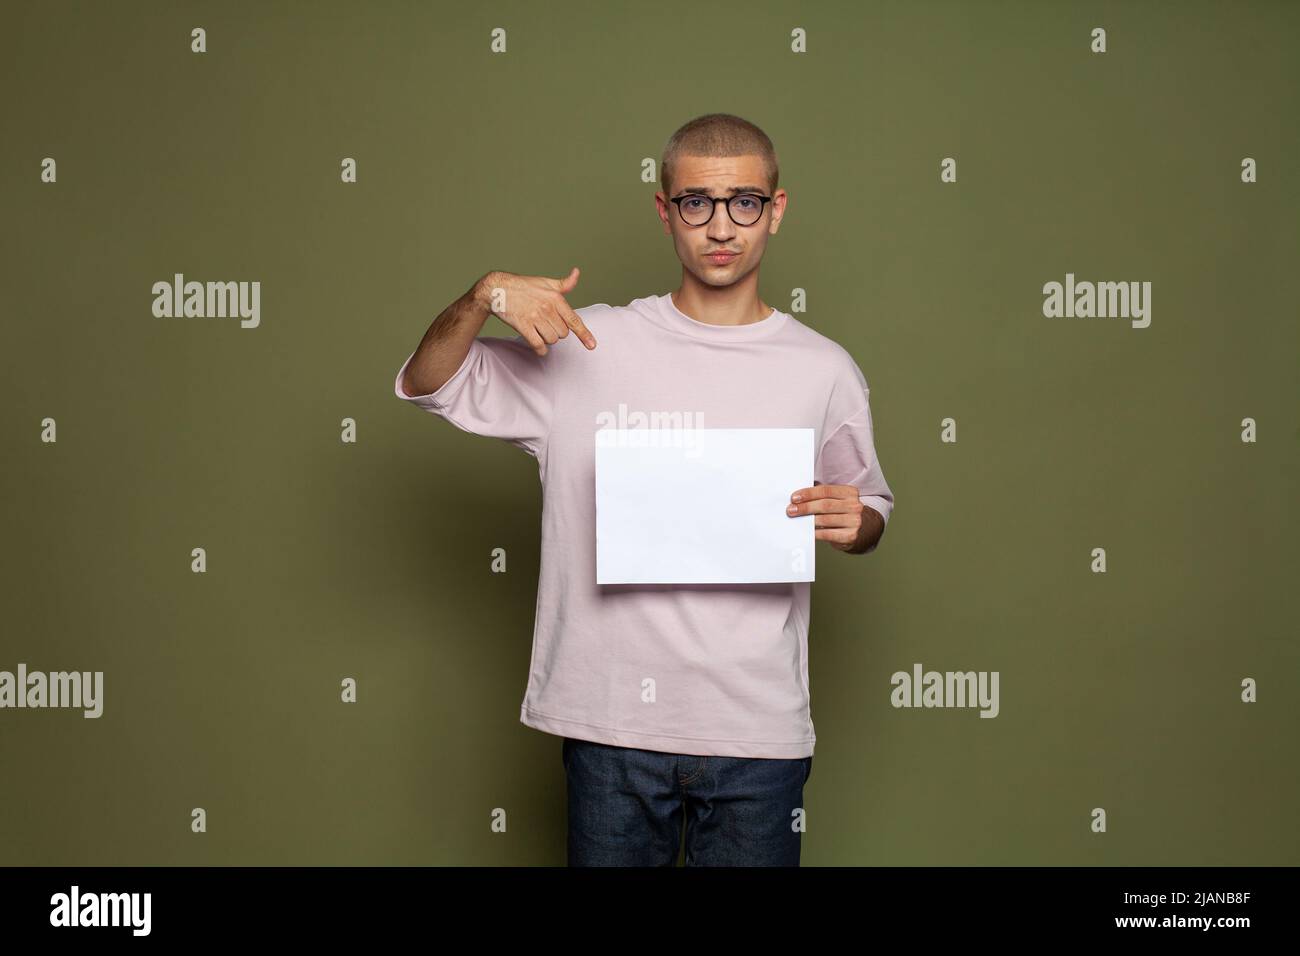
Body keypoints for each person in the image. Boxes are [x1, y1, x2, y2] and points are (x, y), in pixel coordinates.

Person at [394, 113, 894, 866]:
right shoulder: (585, 345)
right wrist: (484, 294)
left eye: (744, 202)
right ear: (666, 211)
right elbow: (432, 383)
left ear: (776, 209)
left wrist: (857, 523)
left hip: (757, 732)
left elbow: (868, 507)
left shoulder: (823, 368)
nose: (721, 226)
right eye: (697, 202)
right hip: (610, 730)